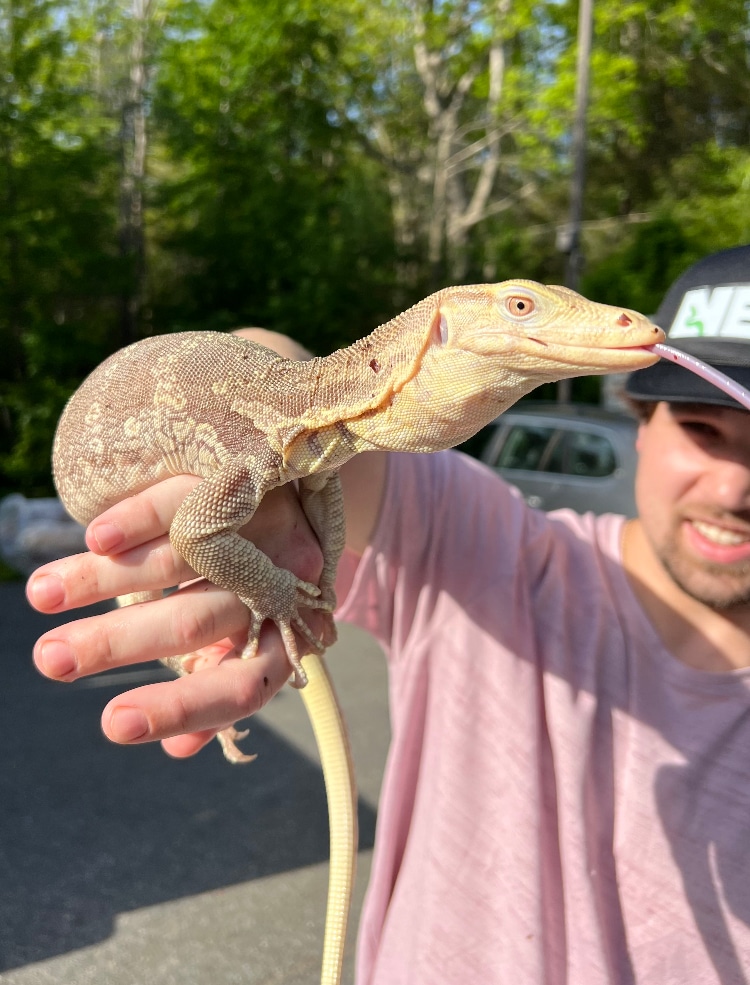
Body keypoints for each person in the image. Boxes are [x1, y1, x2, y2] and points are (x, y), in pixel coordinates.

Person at [27, 246, 750, 983]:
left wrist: (282, 585)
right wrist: (279, 577)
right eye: (703, 429)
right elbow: (260, 392)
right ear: (644, 425)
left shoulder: (333, 470)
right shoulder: (495, 545)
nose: (734, 487)